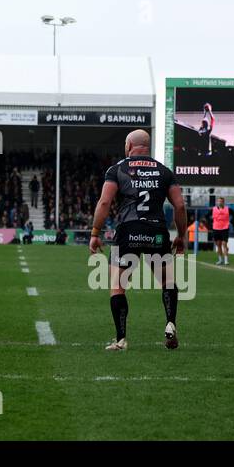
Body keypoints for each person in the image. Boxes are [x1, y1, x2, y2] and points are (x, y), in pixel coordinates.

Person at [89, 130, 188, 351]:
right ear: (147, 146)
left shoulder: (117, 169)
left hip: (127, 231)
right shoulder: (164, 171)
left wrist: (95, 232)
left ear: (129, 145)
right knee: (167, 282)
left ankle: (121, 339)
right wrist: (181, 236)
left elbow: (104, 203)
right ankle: (170, 323)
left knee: (117, 285)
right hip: (157, 231)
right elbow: (180, 205)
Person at [210, 196, 231, 265]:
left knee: (224, 244)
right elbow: (207, 216)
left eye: (221, 201)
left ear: (223, 202)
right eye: (218, 201)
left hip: (225, 228)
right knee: (218, 245)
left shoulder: (228, 209)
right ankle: (220, 260)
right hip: (216, 228)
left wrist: (230, 222)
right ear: (217, 202)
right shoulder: (213, 209)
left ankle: (226, 260)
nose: (219, 202)